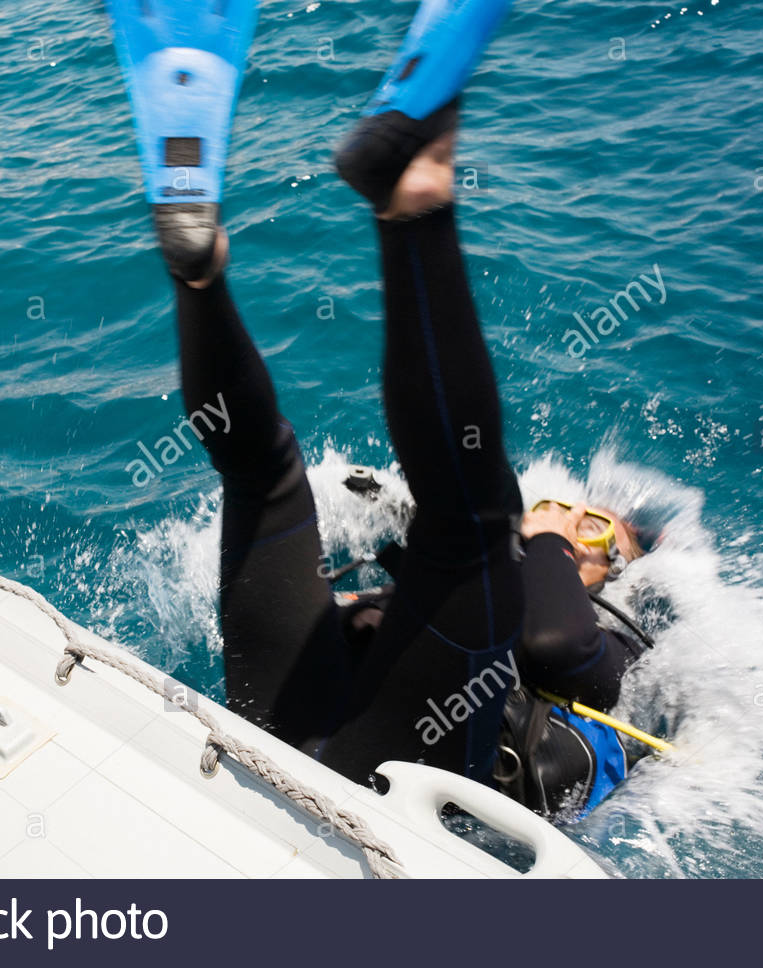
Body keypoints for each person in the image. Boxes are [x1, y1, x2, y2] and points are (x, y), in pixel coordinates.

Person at [150, 0, 654, 822]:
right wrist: (548, 547)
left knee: (274, 479)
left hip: (322, 746)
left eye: (597, 530)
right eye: (566, 512)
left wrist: (548, 547)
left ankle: (199, 271)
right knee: (275, 476)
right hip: (352, 753)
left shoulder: (614, 642)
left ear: (620, 573)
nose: (567, 526)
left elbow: (557, 642)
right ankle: (364, 212)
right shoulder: (545, 609)